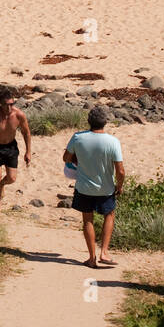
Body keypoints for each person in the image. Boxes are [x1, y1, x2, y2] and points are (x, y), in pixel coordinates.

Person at [63, 107, 125, 268]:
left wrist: (78, 158)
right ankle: (104, 252)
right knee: (109, 215)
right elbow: (120, 171)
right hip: (106, 187)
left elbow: (66, 158)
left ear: (89, 121)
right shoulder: (113, 141)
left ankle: (92, 258)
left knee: (87, 220)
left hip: (84, 186)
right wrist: (119, 186)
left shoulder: (78, 137)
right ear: (105, 122)